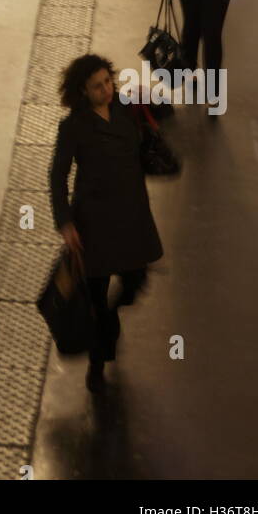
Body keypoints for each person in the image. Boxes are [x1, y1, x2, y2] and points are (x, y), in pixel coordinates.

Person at [49, 54, 163, 393]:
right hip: (94, 223)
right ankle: (97, 364)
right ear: (83, 91)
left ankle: (110, 323)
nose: (106, 89)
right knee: (96, 300)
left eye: (108, 82)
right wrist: (65, 223)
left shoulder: (126, 108)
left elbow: (158, 122)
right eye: (97, 86)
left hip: (131, 213)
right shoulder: (73, 127)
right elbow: (58, 176)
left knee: (135, 280)